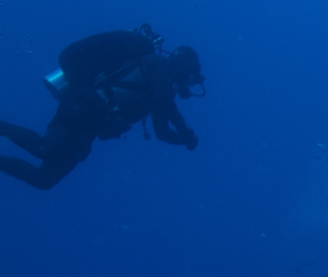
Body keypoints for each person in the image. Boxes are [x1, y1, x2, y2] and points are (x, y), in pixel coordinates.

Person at [0, 24, 203, 190]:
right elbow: (166, 102)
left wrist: (183, 140)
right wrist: (185, 130)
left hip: (93, 124)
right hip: (83, 106)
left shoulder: (160, 90)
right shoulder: (159, 65)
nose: (188, 86)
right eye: (191, 79)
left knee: (44, 179)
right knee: (45, 149)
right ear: (185, 68)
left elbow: (162, 132)